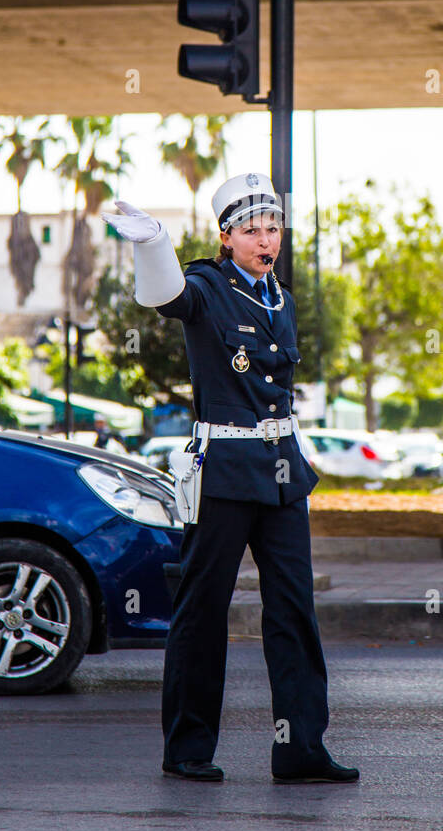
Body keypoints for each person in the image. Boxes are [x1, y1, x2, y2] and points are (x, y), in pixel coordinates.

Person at [106, 171, 358, 785]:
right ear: (226, 237)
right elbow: (165, 299)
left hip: (282, 475)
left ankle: (301, 749)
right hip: (222, 472)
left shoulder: (282, 298)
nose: (265, 239)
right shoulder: (206, 286)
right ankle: (187, 748)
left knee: (295, 609)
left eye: (272, 227)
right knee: (202, 608)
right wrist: (154, 244)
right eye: (251, 230)